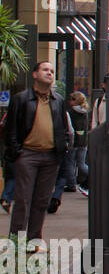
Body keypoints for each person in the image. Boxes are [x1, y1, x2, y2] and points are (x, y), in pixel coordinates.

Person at [4, 61, 68, 245]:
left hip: (50, 156)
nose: (50, 73)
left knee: (41, 201)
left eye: (52, 71)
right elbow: (11, 129)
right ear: (35, 74)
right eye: (45, 70)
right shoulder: (21, 99)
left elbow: (63, 127)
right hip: (27, 155)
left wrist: (62, 147)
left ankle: (34, 240)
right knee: (23, 200)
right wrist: (18, 152)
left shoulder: (58, 100)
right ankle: (16, 242)